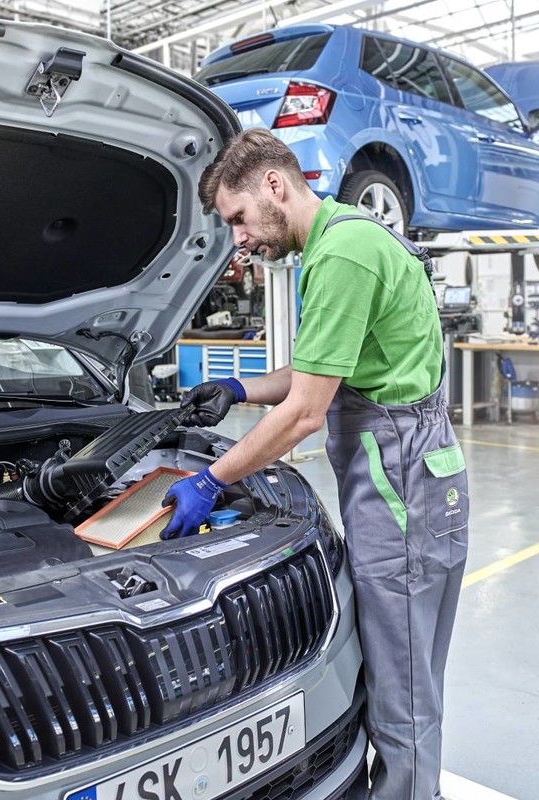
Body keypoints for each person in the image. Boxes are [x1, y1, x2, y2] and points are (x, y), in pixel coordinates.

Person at [160, 128, 469, 800]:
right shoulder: (345, 236)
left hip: (402, 487)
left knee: (404, 694)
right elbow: (317, 368)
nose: (238, 239)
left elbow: (305, 411)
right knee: (394, 675)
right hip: (405, 476)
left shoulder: (343, 256)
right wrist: (240, 388)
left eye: (237, 218)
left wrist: (212, 479)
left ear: (274, 185)